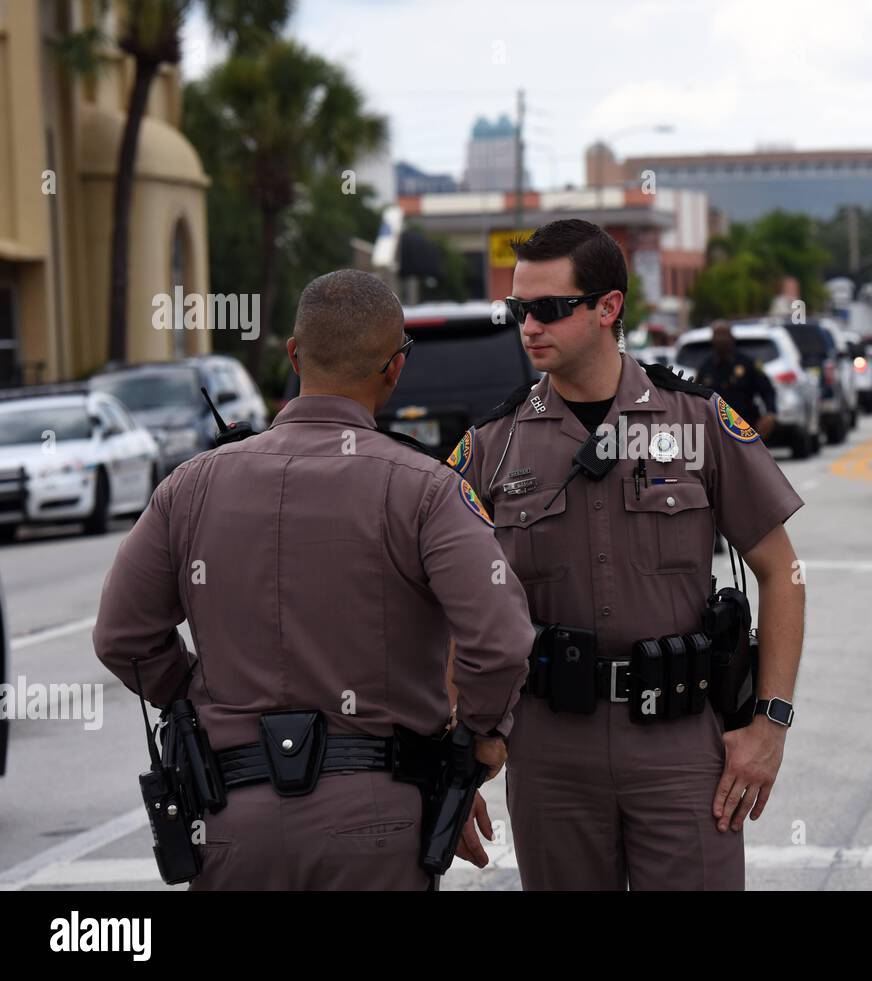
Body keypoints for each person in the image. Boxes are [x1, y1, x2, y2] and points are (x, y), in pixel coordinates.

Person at [93, 269, 535, 890]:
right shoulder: (426, 489)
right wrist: (478, 743)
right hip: (380, 820)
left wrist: (199, 691)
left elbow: (122, 636)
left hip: (228, 820)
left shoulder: (190, 487)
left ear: (294, 355)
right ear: (395, 369)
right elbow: (501, 641)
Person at [448, 219, 806, 890]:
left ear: (608, 307)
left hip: (678, 740)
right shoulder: (494, 443)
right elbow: (443, 603)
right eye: (521, 309)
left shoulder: (696, 421)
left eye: (550, 309)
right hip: (550, 746)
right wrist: (454, 746)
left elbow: (782, 572)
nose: (529, 326)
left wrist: (770, 723)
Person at [692, 322, 777, 440]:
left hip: (745, 425)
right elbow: (695, 398)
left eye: (724, 335)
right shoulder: (705, 368)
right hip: (715, 428)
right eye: (717, 336)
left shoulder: (748, 364)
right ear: (712, 340)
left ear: (732, 338)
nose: (721, 340)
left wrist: (770, 414)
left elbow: (767, 390)